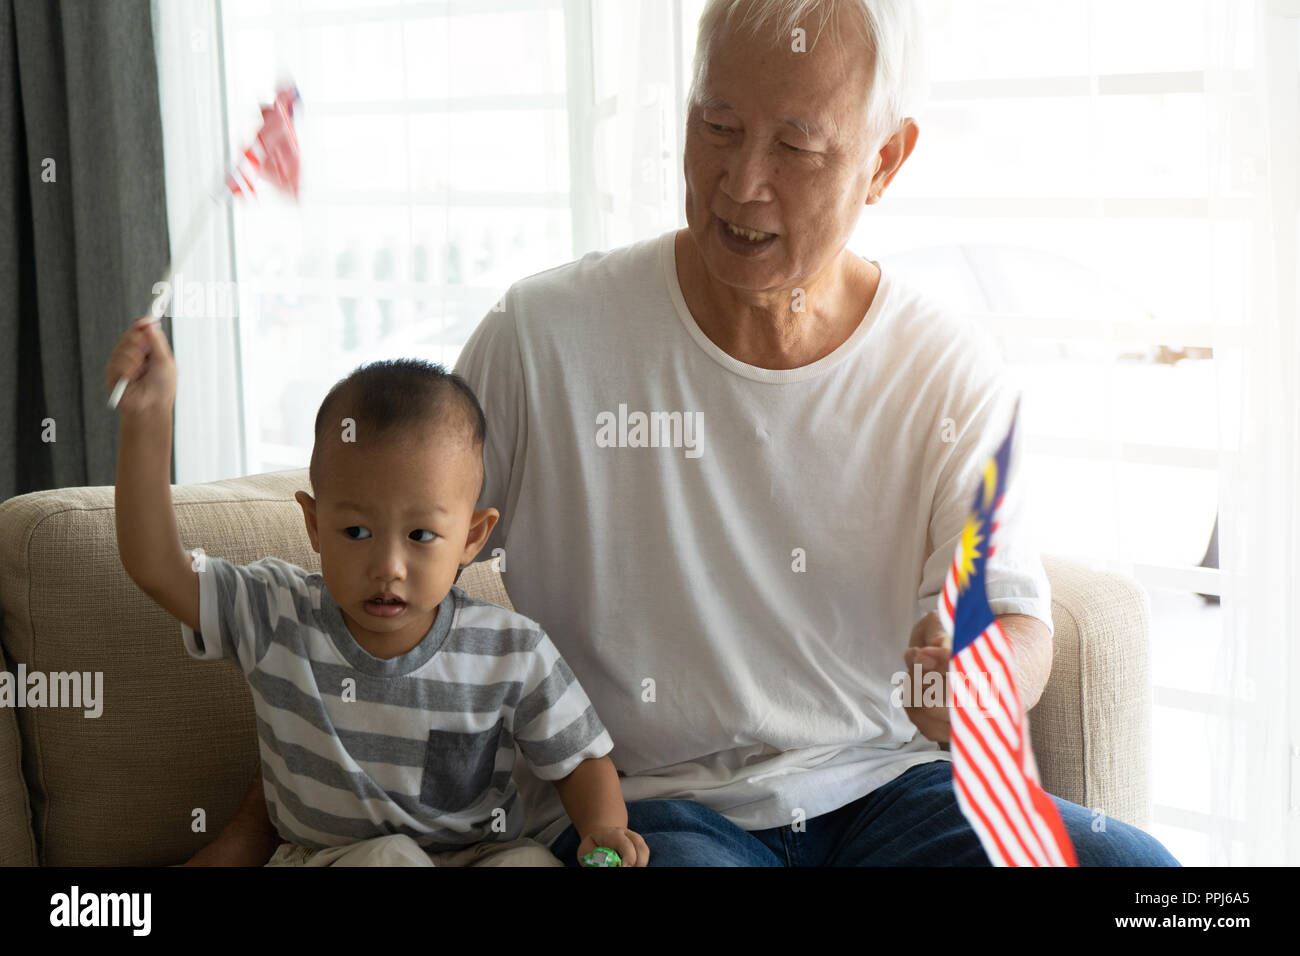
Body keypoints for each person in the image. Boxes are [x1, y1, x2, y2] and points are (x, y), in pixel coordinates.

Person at [192, 0, 1179, 866]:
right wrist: (258, 823)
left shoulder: (945, 365)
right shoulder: (545, 340)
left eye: (794, 147)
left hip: (896, 791)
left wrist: (974, 682)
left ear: (884, 159)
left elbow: (1013, 615)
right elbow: (381, 583)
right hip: (658, 810)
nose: (739, 183)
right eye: (716, 126)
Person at [106, 325, 648, 866]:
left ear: (472, 538)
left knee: (528, 863)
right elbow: (156, 567)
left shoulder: (512, 649)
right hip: (334, 858)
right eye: (357, 533)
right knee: (390, 859)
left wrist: (604, 829)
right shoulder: (273, 613)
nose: (388, 568)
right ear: (315, 525)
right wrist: (148, 421)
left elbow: (580, 760)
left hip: (477, 853)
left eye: (420, 537)